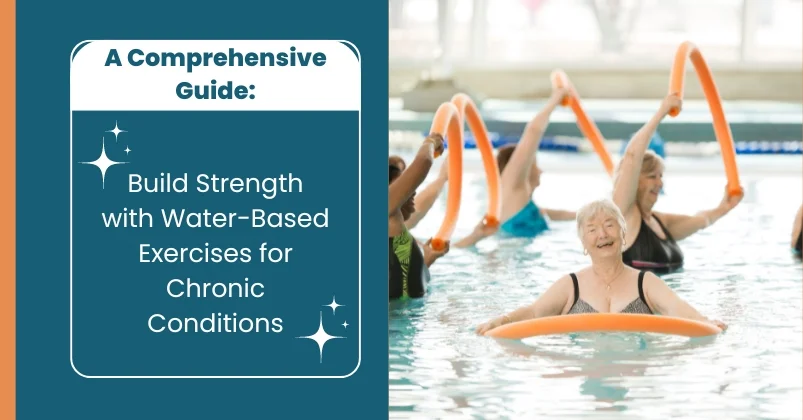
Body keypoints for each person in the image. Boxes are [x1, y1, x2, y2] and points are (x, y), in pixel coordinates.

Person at [475, 198, 726, 335]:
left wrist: (706, 322)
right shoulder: (570, 285)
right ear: (584, 242)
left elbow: (678, 309)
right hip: (584, 368)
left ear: (623, 233)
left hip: (634, 371)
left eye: (609, 225)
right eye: (592, 229)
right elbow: (533, 313)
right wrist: (501, 321)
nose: (602, 234)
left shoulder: (645, 283)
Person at [612, 93, 742, 273]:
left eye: (661, 176)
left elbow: (700, 220)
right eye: (652, 176)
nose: (659, 183)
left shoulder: (660, 222)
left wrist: (725, 207)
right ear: (636, 180)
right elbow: (632, 156)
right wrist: (662, 112)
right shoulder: (624, 216)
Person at [495, 86, 576, 238]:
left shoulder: (528, 207)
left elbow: (565, 215)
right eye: (534, 164)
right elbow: (533, 131)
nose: (540, 171)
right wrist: (555, 99)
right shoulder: (511, 188)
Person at [389, 134, 449, 300]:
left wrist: (426, 261)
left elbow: (399, 285)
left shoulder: (396, 232)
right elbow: (423, 162)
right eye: (404, 185)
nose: (412, 190)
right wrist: (431, 141)